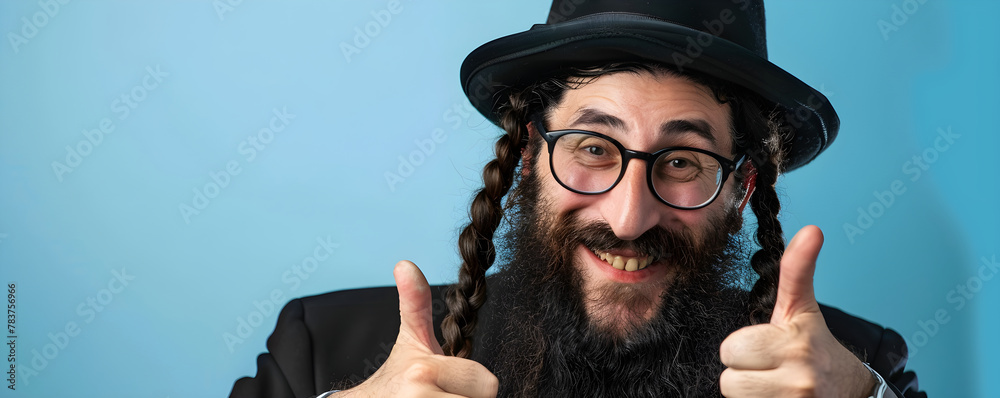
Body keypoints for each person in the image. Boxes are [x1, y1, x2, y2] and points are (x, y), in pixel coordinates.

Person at [231, 1, 926, 397]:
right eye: (594, 149)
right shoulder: (323, 349)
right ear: (532, 153)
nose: (628, 217)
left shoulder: (843, 369)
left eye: (682, 161)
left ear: (741, 189)